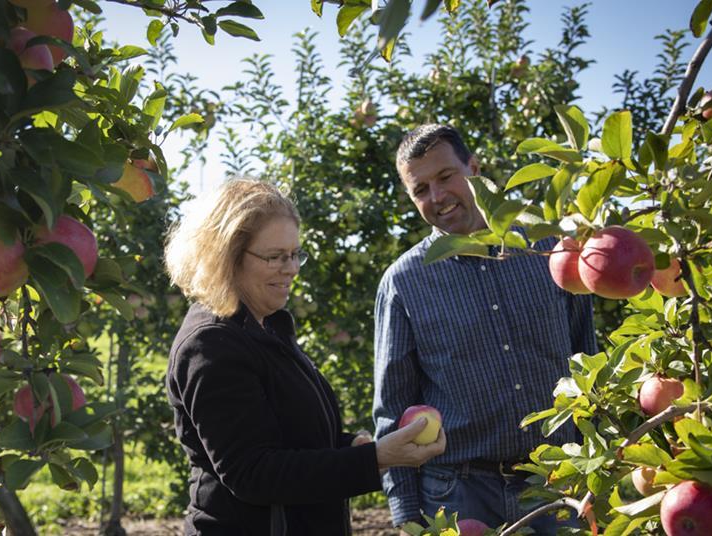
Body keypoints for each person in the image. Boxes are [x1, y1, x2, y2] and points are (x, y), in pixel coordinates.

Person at [164, 178, 446, 536]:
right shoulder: (211, 345)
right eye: (275, 257)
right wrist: (376, 458)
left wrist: (349, 447)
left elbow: (286, 435)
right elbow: (253, 473)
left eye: (295, 254)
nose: (292, 268)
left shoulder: (266, 327)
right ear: (227, 257)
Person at [373, 124, 597, 533]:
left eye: (446, 176)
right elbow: (394, 407)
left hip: (557, 480)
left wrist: (601, 465)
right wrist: (405, 514)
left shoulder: (548, 249)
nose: (437, 196)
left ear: (474, 169)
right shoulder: (404, 282)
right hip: (460, 492)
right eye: (420, 189)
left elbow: (587, 355)